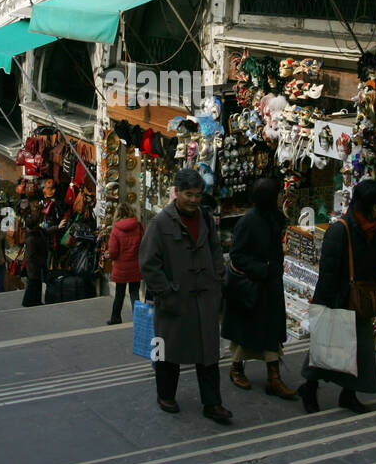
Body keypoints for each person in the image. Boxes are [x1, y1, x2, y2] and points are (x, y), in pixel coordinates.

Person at [138, 168, 232, 425]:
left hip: (204, 299)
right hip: (174, 300)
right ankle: (166, 395)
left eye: (198, 195)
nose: (193, 200)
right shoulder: (160, 224)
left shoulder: (205, 219)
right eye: (188, 194)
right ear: (177, 192)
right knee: (169, 353)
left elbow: (214, 250)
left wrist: (217, 278)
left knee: (209, 355)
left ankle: (213, 403)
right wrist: (166, 291)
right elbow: (148, 263)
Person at [298, 179, 376, 415]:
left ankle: (349, 394)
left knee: (359, 349)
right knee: (325, 348)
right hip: (338, 300)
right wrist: (324, 306)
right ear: (373, 205)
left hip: (360, 299)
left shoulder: (373, 228)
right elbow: (328, 272)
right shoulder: (340, 229)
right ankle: (309, 388)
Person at [223, 177, 296, 400]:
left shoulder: (272, 216)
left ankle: (273, 377)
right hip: (252, 287)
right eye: (278, 194)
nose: (282, 196)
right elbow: (237, 255)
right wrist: (263, 268)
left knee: (270, 332)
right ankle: (236, 368)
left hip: (268, 285)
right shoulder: (249, 221)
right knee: (245, 333)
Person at [106, 203, 144, 325]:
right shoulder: (138, 226)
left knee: (119, 293)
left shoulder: (116, 229)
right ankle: (138, 319)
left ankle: (115, 317)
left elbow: (113, 252)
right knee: (134, 293)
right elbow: (145, 244)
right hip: (135, 265)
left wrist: (110, 256)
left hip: (121, 267)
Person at [21, 216, 47, 308]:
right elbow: (30, 256)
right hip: (33, 265)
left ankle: (36, 301)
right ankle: (28, 302)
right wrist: (41, 261)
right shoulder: (31, 238)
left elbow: (46, 231)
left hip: (36, 263)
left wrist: (58, 227)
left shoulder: (37, 232)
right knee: (33, 283)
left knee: (36, 282)